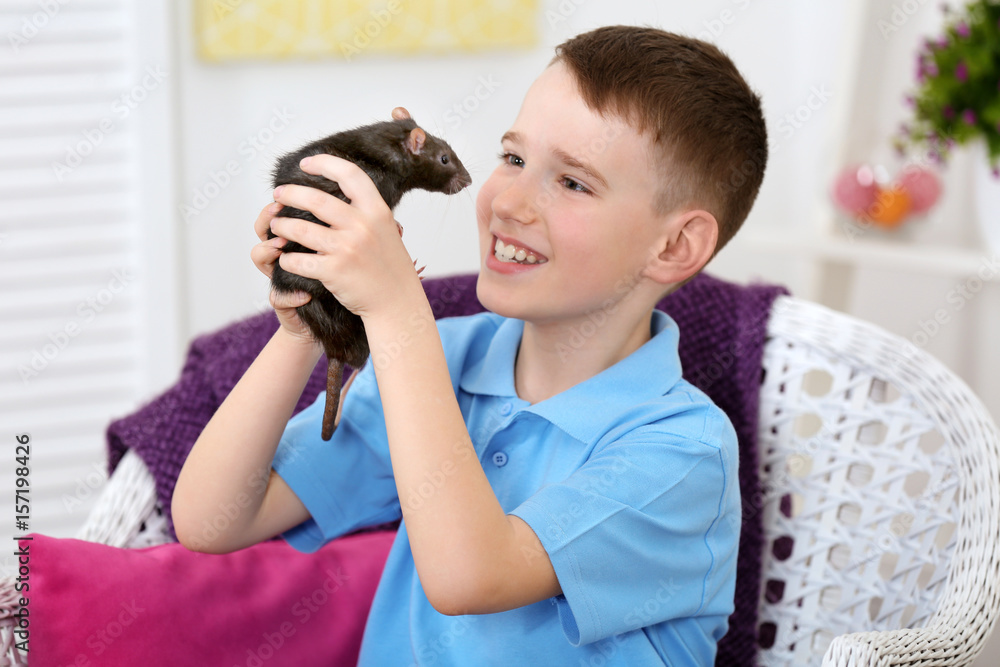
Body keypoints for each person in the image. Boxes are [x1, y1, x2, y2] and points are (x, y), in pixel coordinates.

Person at [172, 25, 767, 666]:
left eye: (573, 183)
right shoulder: (448, 361)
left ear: (674, 247)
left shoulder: (683, 453)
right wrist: (307, 325)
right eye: (513, 159)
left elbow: (469, 577)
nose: (507, 201)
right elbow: (214, 521)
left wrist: (399, 312)